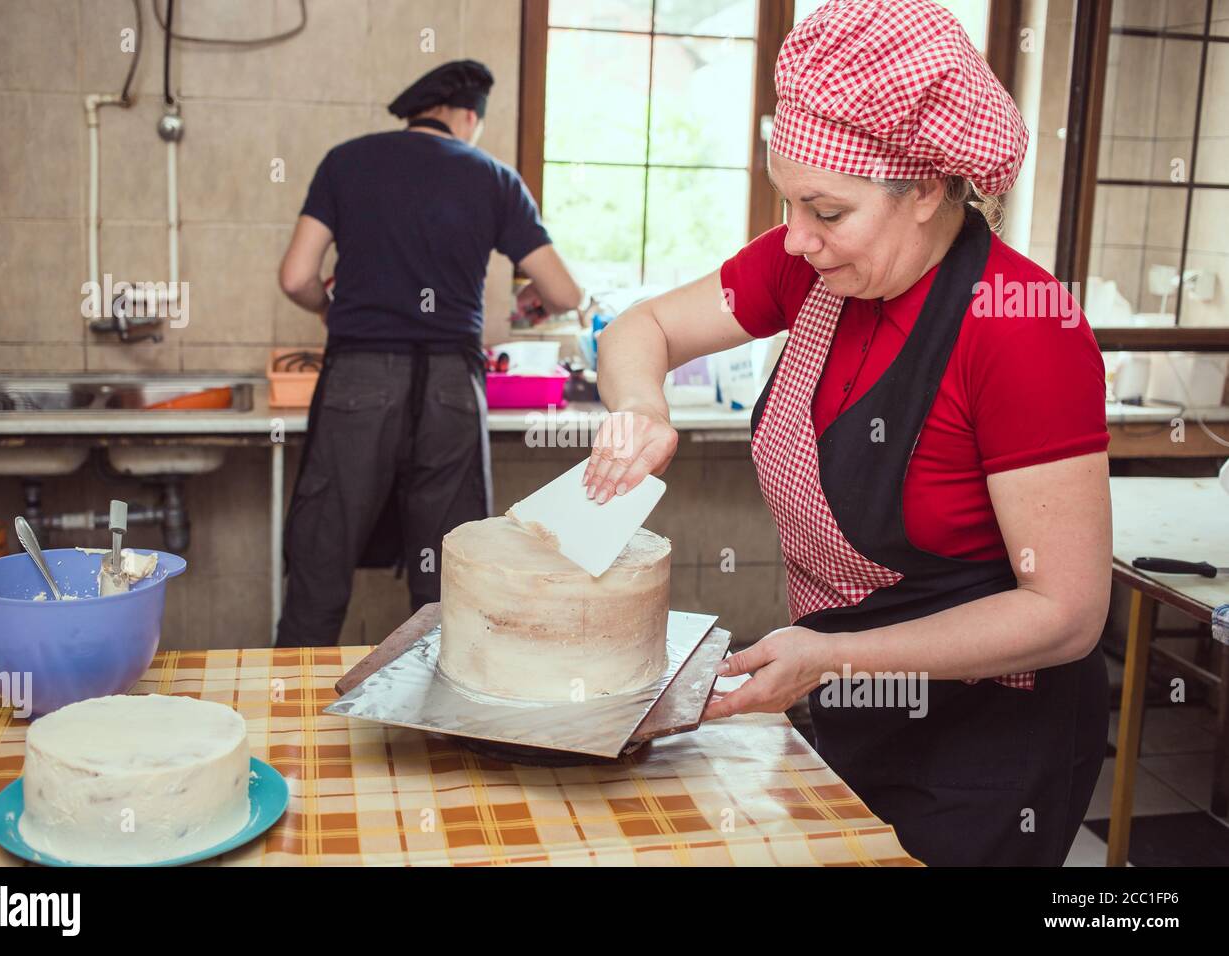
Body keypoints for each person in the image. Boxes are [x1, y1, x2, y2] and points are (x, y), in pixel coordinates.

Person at [582, 0, 1111, 866]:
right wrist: (640, 406)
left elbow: (1066, 614)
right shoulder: (810, 270)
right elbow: (644, 329)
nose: (797, 239)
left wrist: (833, 659)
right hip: (850, 702)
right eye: (788, 203)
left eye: (826, 210)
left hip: (987, 746)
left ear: (930, 188)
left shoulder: (1024, 328)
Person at [276, 59, 584, 647]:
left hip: (358, 383)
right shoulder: (493, 177)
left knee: (321, 565)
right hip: (451, 389)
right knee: (450, 578)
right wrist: (533, 302)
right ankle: (443, 732)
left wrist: (329, 308)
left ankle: (287, 727)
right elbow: (564, 293)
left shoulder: (347, 161)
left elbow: (296, 277)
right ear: (469, 117)